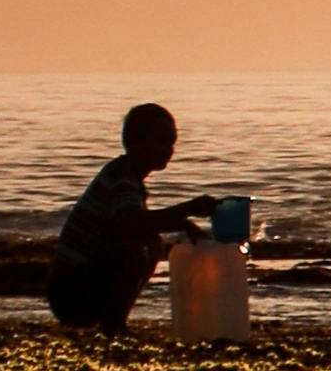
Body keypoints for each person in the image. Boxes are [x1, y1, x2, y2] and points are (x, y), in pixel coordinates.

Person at [45, 100, 216, 334]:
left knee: (151, 241)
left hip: (77, 287)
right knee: (137, 248)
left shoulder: (124, 175)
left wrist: (179, 221)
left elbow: (134, 224)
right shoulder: (122, 178)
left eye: (172, 142)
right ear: (136, 142)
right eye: (163, 140)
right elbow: (129, 224)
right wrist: (186, 209)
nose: (170, 149)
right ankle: (112, 325)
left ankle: (114, 322)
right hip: (72, 292)